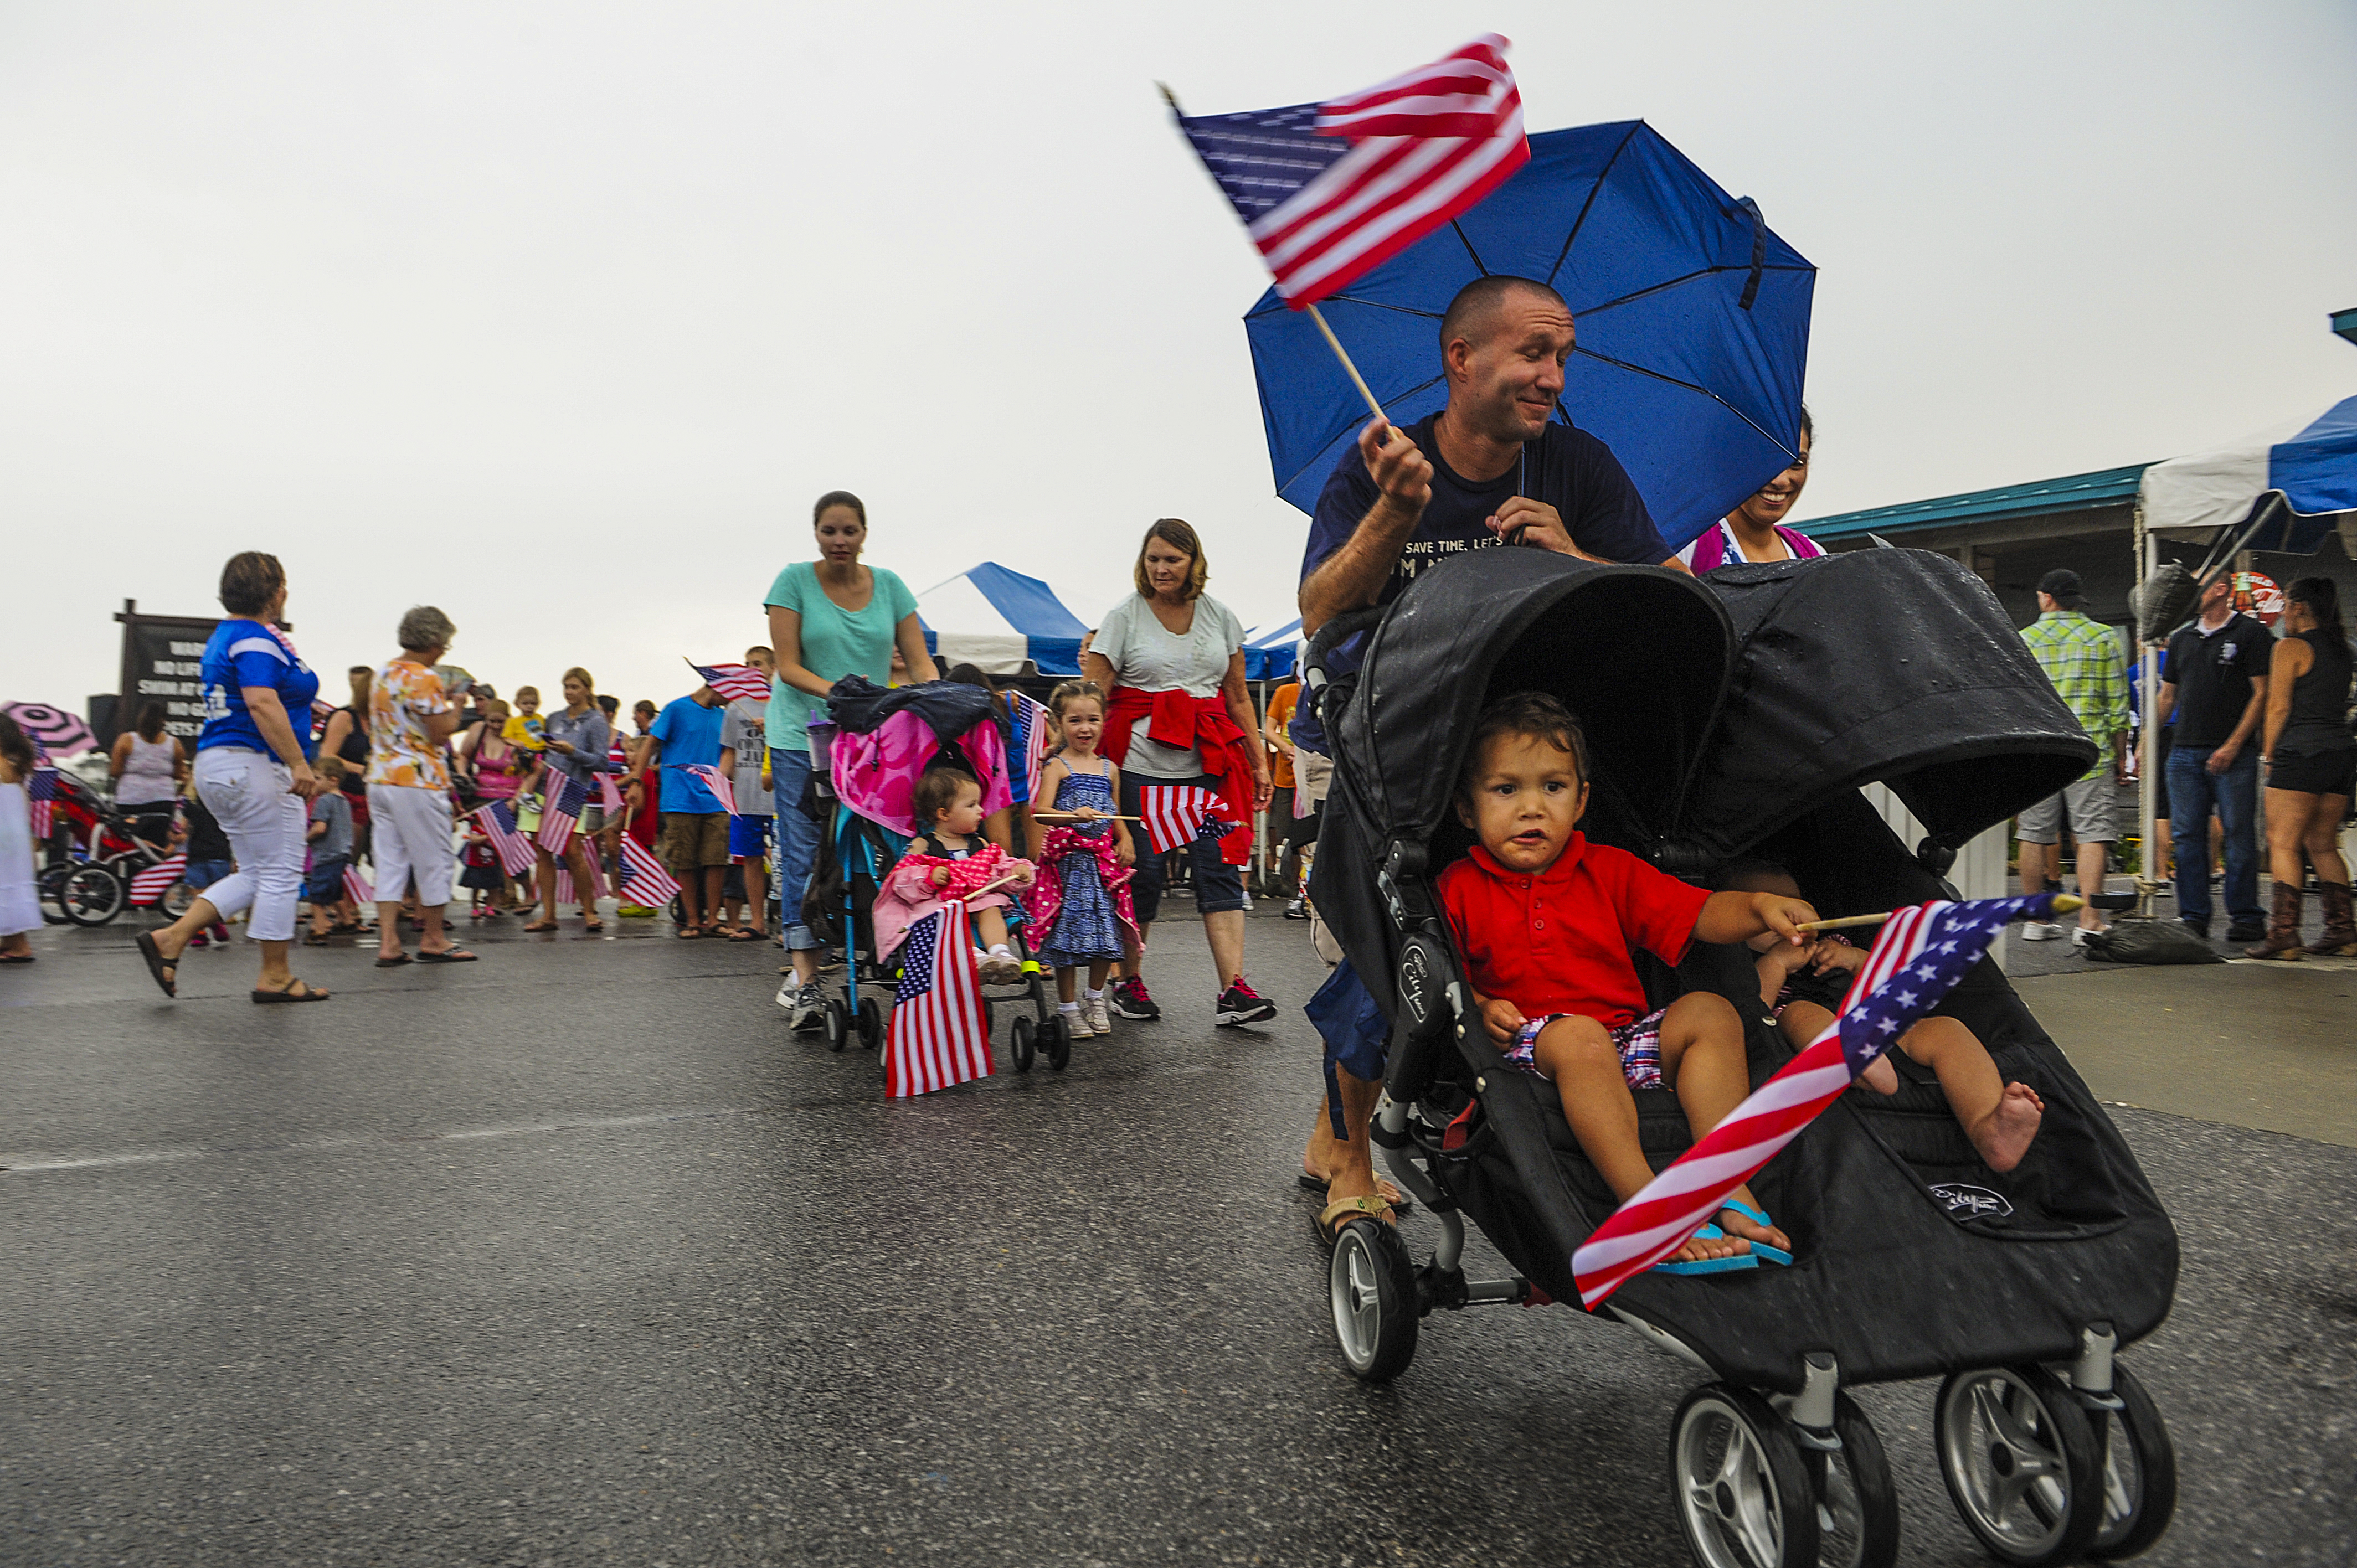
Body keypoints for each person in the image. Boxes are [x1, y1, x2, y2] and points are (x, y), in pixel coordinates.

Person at [1296, 276, 1686, 1219]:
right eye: (1534, 353)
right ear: (1462, 359)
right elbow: (1317, 611)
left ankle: (1334, 1129)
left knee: (1458, 944)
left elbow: (1678, 593)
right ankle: (1351, 1162)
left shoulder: (1578, 468)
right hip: (1394, 746)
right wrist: (1394, 511)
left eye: (1563, 356)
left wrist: (1576, 557)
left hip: (1522, 758)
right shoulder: (1378, 465)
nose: (1554, 376)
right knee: (1388, 943)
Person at [1414, 692, 1808, 1265]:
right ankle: (1644, 1210)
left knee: (1709, 1011)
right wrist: (1476, 1002)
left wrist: (1757, 907)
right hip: (1529, 1046)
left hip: (1623, 1042)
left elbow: (1695, 913)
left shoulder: (1609, 870)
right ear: (1466, 809)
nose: (1532, 808)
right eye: (1506, 790)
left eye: (1552, 788)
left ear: (1580, 802)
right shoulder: (1457, 886)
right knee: (1578, 1037)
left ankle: (1726, 1186)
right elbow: (1438, 973)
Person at [1723, 862, 2045, 1170]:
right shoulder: (1745, 963)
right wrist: (1777, 962)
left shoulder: (1834, 944)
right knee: (1802, 1014)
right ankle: (1862, 1063)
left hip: (1881, 1021)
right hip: (1805, 1021)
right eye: (1770, 922)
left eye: (1796, 910)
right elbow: (1753, 1012)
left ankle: (1990, 1128)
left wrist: (1857, 959)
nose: (1791, 927)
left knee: (1948, 1030)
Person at [1083, 518, 1275, 1028]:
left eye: (1172, 559)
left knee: (1218, 869)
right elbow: (1094, 693)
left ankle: (1233, 990)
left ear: (1194, 563)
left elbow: (1236, 695)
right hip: (1138, 769)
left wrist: (1258, 760)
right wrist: (1073, 757)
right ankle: (1130, 982)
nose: (1161, 568)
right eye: (1153, 559)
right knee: (1141, 874)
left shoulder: (1220, 617)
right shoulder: (1123, 617)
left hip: (1207, 766)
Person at [765, 489, 938, 1025]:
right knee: (805, 852)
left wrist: (939, 700)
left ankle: (885, 947)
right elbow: (787, 665)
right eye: (829, 531)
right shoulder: (793, 581)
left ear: (864, 534)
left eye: (849, 531)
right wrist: (842, 693)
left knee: (884, 843)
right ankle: (807, 980)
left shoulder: (889, 587)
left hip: (869, 736)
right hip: (803, 733)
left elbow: (920, 662)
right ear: (816, 534)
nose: (839, 541)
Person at [133, 551, 334, 1002]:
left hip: (220, 764)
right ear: (276, 592)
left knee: (259, 872)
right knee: (282, 872)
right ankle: (276, 975)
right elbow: (262, 702)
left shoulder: (229, 635)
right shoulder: (255, 639)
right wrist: (299, 763)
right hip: (254, 763)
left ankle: (172, 938)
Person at [2155, 574, 2271, 941]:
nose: (2190, 596)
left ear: (2220, 589)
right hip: (2184, 749)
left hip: (2234, 753)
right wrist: (2145, 741)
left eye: (2198, 587)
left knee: (2238, 833)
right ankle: (2193, 916)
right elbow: (2167, 696)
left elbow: (2261, 693)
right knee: (2186, 834)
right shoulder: (2182, 637)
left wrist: (2235, 744)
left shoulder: (2251, 633)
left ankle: (2246, 916)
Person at [2016, 568, 2129, 945]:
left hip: (2039, 752)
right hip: (2090, 748)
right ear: (2077, 601)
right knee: (2093, 834)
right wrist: (2121, 753)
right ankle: (2089, 921)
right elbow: (2117, 702)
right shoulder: (2102, 637)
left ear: (2046, 598)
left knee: (2033, 835)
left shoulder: (2023, 639)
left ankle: (2038, 920)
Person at [2250, 577, 2356, 958]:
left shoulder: (2289, 647)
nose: (2283, 613)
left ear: (2297, 607)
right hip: (2340, 756)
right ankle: (2343, 930)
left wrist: (2268, 753)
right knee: (2323, 843)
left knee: (2284, 843)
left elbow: (2277, 707)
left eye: (2286, 605)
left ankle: (2284, 934)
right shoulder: (2344, 649)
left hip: (2300, 755)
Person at [364, 606, 474, 967]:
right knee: (436, 859)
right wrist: (456, 707)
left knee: (391, 860)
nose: (444, 651)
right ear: (433, 642)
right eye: (444, 644)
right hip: (418, 777)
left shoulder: (383, 673)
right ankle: (434, 938)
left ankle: (389, 941)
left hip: (380, 774)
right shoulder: (424, 678)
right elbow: (439, 732)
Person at [1026, 680, 1137, 1037]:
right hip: (1068, 867)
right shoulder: (1057, 766)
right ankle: (1068, 1008)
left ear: (1104, 722)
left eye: (1093, 720)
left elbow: (1115, 812)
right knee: (1068, 938)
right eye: (1075, 721)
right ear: (1060, 724)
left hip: (1103, 867)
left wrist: (1126, 837)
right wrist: (1074, 816)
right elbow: (1040, 813)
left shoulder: (1110, 769)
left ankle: (1096, 999)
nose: (1085, 728)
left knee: (1106, 933)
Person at [877, 767, 1035, 979]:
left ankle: (1001, 952)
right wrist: (929, 878)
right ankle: (972, 954)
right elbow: (903, 879)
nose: (981, 811)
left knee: (991, 907)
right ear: (944, 814)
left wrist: (1015, 871)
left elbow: (998, 868)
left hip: (978, 897)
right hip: (941, 902)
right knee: (943, 916)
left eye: (979, 803)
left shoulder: (979, 843)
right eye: (971, 805)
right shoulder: (923, 845)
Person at [526, 666, 619, 935]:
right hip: (544, 788)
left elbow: (602, 762)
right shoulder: (553, 718)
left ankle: (589, 911)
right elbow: (543, 752)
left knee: (572, 851)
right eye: (566, 686)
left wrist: (573, 752)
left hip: (571, 790)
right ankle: (549, 915)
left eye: (575, 687)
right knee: (543, 852)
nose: (569, 692)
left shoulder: (596, 721)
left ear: (588, 689)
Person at [1675, 412, 1824, 570]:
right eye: (1765, 460)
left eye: (1797, 463)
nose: (1780, 481)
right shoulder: (1687, 548)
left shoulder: (1815, 556)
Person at [646, 682, 730, 936]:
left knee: (716, 859)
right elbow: (650, 745)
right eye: (730, 692)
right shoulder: (676, 709)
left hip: (715, 798)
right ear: (715, 686)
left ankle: (713, 919)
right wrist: (638, 782)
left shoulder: (724, 716)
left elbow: (728, 753)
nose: (732, 699)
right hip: (680, 798)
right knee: (685, 860)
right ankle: (692, 920)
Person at [716, 646, 776, 942]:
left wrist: (773, 726)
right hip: (745, 797)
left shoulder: (783, 701)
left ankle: (793, 923)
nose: (752, 668)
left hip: (777, 796)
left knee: (785, 859)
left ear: (773, 667)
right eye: (748, 664)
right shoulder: (734, 706)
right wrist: (717, 781)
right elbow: (729, 754)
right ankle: (757, 922)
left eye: (759, 663)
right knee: (750, 858)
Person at [109, 701, 187, 848]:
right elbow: (179, 774)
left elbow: (115, 772)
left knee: (128, 845)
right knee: (158, 845)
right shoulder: (174, 744)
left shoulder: (127, 740)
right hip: (162, 803)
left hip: (129, 802)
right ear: (164, 721)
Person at [1262, 676, 1308, 916]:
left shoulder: (1327, 687)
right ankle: (1290, 885)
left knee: (1306, 837)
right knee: (1284, 834)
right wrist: (1286, 747)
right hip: (1286, 777)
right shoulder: (1285, 692)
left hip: (1312, 774)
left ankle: (1302, 891)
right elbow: (1269, 730)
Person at [301, 755, 356, 942]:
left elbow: (320, 828)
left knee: (317, 894)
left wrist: (304, 840)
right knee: (334, 890)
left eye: (317, 778)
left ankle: (320, 928)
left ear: (333, 780)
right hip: (342, 852)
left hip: (327, 853)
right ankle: (347, 920)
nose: (314, 782)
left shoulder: (324, 801)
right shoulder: (344, 801)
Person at [0, 713, 39, 963]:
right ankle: (15, 942)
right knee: (11, 884)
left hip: (4, 834)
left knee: (6, 883)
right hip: (14, 835)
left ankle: (19, 947)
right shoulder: (16, 764)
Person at [504, 687, 547, 752]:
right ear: (517, 704)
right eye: (525, 703)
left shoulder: (541, 719)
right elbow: (506, 738)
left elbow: (545, 735)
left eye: (533, 703)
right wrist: (516, 743)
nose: (529, 706)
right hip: (524, 751)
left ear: (538, 704)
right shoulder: (513, 721)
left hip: (541, 751)